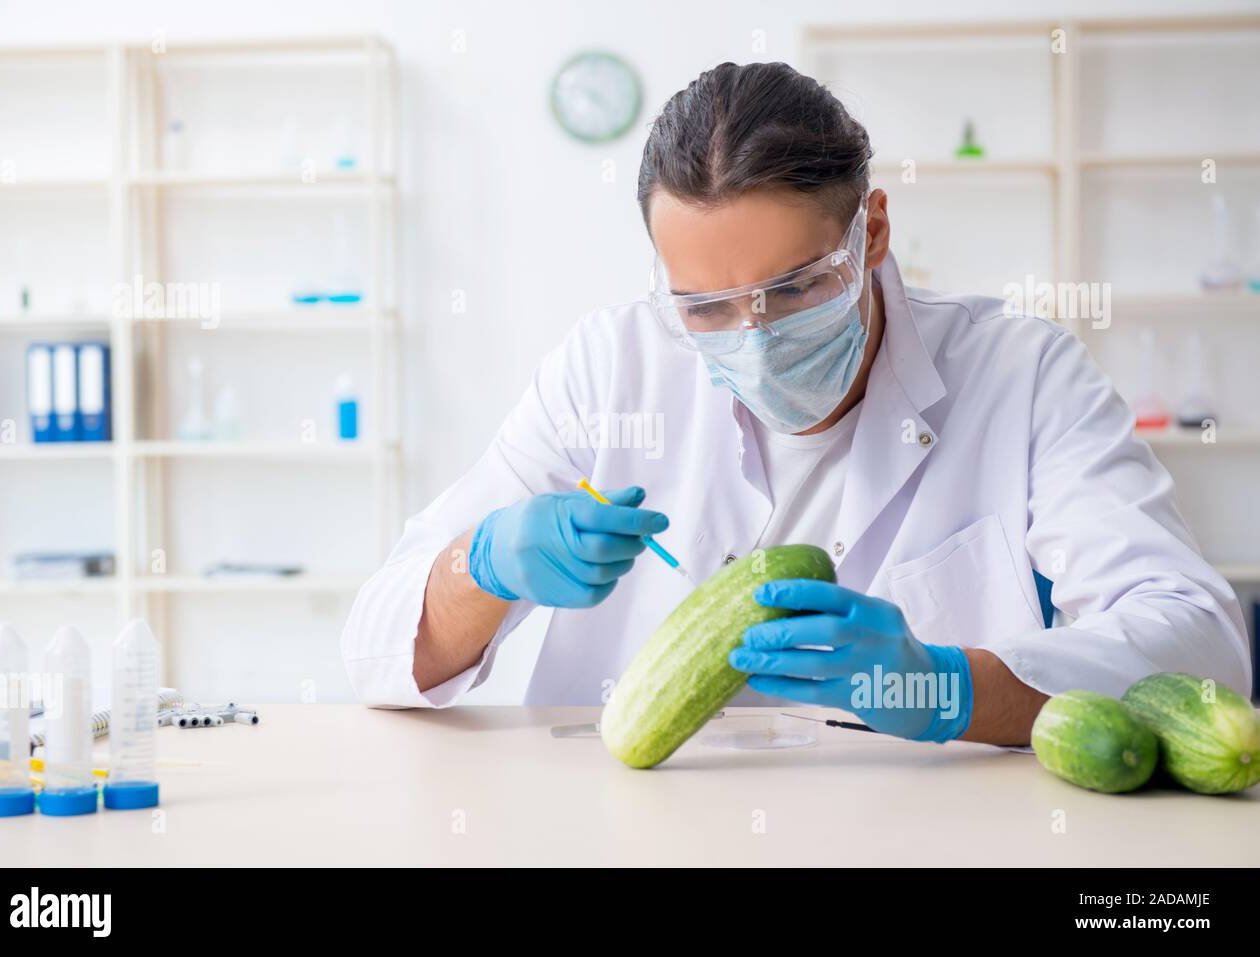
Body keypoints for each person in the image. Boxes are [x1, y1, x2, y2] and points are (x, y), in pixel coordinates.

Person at [342, 62, 1249, 745]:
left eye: (794, 287)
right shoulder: (608, 368)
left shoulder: (1023, 373)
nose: (753, 333)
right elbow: (376, 647)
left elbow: (1203, 648)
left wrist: (946, 686)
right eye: (705, 305)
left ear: (873, 230)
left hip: (920, 834)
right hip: (631, 831)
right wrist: (486, 565)